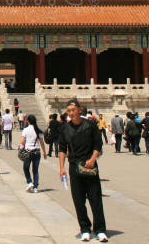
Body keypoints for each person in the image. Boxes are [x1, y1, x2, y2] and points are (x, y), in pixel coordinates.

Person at [58, 101, 107, 242]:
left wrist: (92, 159)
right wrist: (61, 167)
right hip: (74, 166)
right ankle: (85, 228)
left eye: (73, 110)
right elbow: (62, 149)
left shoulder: (90, 125)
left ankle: (100, 230)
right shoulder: (65, 129)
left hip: (90, 165)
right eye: (69, 110)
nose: (71, 113)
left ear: (79, 110)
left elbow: (98, 143)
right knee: (78, 200)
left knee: (95, 199)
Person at [20, 114, 47, 193]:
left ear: (28, 121)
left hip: (28, 152)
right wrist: (44, 152)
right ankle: (35, 187)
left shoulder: (26, 130)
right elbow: (42, 143)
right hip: (37, 152)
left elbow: (22, 141)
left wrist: (21, 147)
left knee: (26, 168)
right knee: (35, 170)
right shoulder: (38, 130)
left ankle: (29, 182)